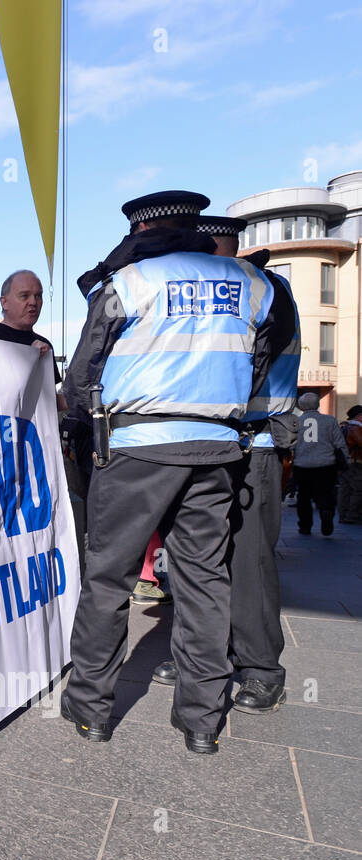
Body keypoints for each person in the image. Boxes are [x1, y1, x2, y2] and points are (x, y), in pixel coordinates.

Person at [62, 190, 273, 755]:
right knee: (205, 581)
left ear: (141, 232)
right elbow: (265, 361)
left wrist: (93, 416)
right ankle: (202, 722)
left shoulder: (131, 283)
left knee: (109, 578)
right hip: (217, 446)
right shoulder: (253, 285)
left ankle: (91, 711)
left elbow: (82, 375)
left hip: (138, 446)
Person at [152, 216, 302, 716]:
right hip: (211, 441)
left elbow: (243, 366)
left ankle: (261, 670)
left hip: (253, 442)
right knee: (198, 558)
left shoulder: (264, 292)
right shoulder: (235, 294)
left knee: (249, 559)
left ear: (222, 251)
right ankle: (202, 656)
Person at [0, 269, 68, 411]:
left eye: (38, 296)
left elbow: (48, 402)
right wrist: (26, 359)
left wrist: (85, 400)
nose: (33, 302)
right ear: (4, 302)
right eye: (24, 296)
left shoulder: (45, 345)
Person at [292, 391, 349, 535]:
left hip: (302, 464)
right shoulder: (330, 420)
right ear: (318, 404)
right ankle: (326, 511)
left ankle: (305, 525)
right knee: (326, 493)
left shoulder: (296, 422)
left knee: (303, 496)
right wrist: (345, 461)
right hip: (326, 463)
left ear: (301, 406)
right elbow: (339, 443)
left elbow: (291, 444)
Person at [339, 404, 362, 524]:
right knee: (358, 490)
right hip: (355, 463)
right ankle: (351, 515)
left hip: (347, 461)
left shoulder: (349, 427)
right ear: (359, 416)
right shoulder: (355, 428)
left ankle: (343, 515)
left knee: (345, 489)